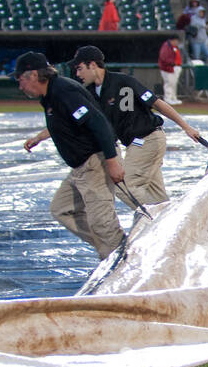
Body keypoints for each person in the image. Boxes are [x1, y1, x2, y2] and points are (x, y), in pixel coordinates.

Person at [16, 51, 127, 259]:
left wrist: (112, 161)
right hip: (81, 167)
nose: (19, 86)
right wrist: (40, 137)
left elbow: (99, 123)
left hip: (95, 161)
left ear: (32, 75)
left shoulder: (63, 91)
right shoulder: (50, 95)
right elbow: (64, 121)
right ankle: (114, 249)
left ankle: (120, 260)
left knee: (102, 221)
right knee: (62, 209)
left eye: (20, 79)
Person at [70, 45, 202, 207]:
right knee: (157, 197)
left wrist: (186, 127)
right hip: (136, 144)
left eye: (80, 68)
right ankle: (172, 222)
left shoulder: (123, 82)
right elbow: (73, 119)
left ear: (92, 65)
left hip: (148, 139)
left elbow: (157, 104)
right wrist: (41, 137)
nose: (77, 74)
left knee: (124, 186)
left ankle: (159, 221)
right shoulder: (90, 93)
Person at [158, 34, 184, 104]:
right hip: (168, 68)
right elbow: (163, 58)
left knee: (173, 84)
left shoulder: (173, 47)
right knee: (169, 84)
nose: (177, 42)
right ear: (173, 40)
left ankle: (173, 98)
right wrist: (172, 63)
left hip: (174, 68)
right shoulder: (166, 46)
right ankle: (168, 98)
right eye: (176, 41)